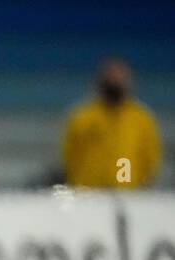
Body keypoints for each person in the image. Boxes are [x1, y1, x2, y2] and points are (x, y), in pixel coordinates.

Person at [62, 57, 162, 188]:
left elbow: (150, 157)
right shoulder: (82, 116)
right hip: (89, 192)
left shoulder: (141, 118)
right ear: (100, 80)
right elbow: (70, 155)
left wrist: (136, 183)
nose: (115, 81)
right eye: (111, 76)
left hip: (128, 190)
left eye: (120, 77)